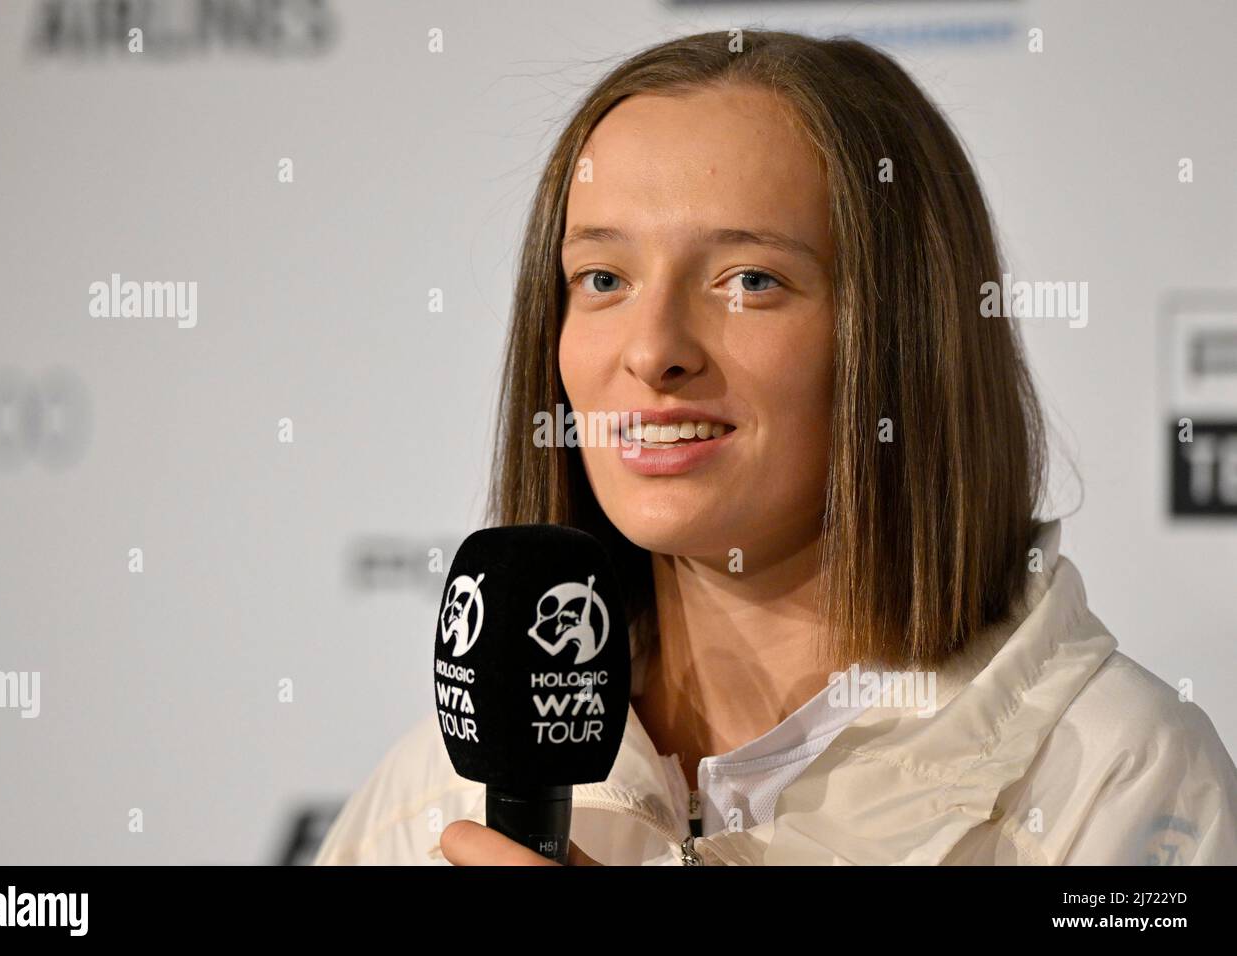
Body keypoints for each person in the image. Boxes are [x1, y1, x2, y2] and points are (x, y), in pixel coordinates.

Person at [315, 30, 1237, 866]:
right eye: (604, 277)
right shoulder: (433, 798)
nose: (652, 350)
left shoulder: (1118, 778)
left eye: (749, 280)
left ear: (904, 335)